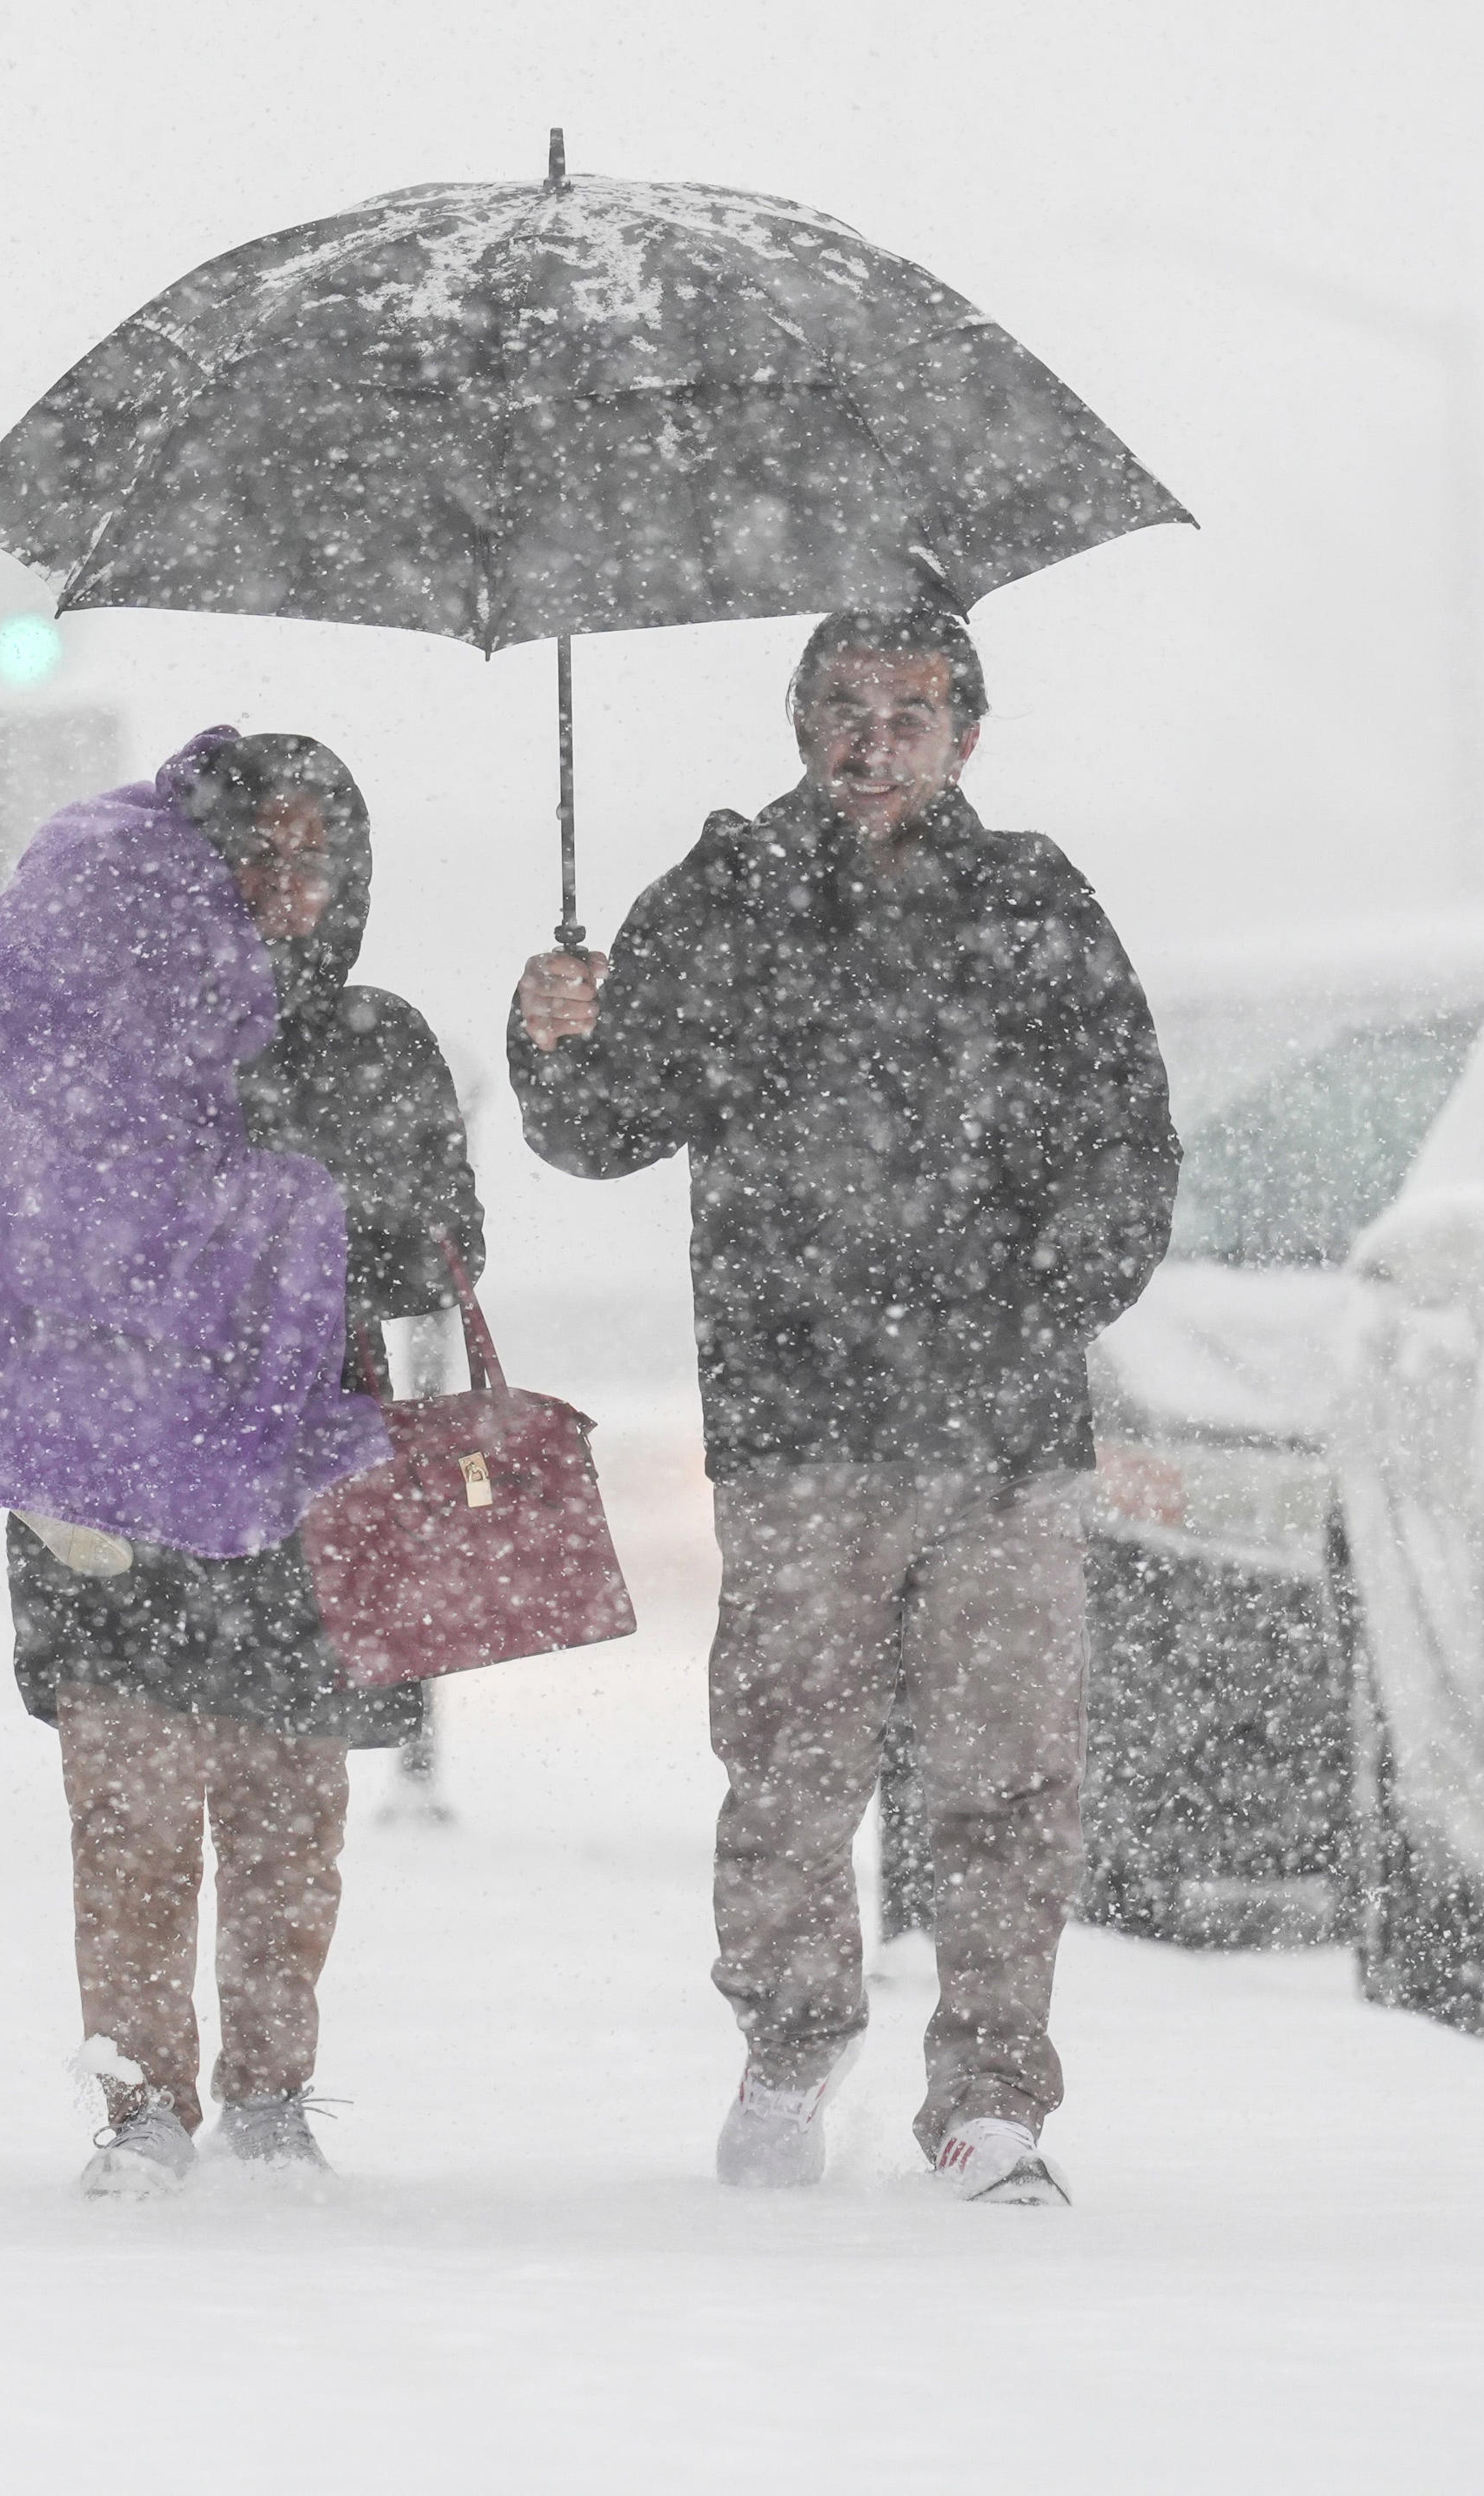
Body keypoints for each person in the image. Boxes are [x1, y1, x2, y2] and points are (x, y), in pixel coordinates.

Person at [507, 607, 1176, 2206]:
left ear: (967, 736)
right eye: (843, 710)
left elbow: (1129, 1148)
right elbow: (603, 1127)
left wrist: (1022, 1305)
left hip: (1002, 1437)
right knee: (791, 1762)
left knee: (1009, 1774)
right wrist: (555, 1037)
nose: (872, 744)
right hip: (797, 1423)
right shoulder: (725, 899)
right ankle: (791, 2043)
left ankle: (992, 2095)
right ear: (800, 719)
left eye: (909, 714)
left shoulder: (1035, 906)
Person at [0, 726, 478, 2199]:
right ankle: (141, 2103)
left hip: (295, 1479)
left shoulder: (377, 1041)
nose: (281, 886)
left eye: (313, 857)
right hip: (108, 1484)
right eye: (249, 853)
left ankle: (271, 2099)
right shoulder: (89, 1030)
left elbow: (440, 1264)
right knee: (128, 1806)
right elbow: (4, 1229)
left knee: (287, 1813)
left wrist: (317, 1210)